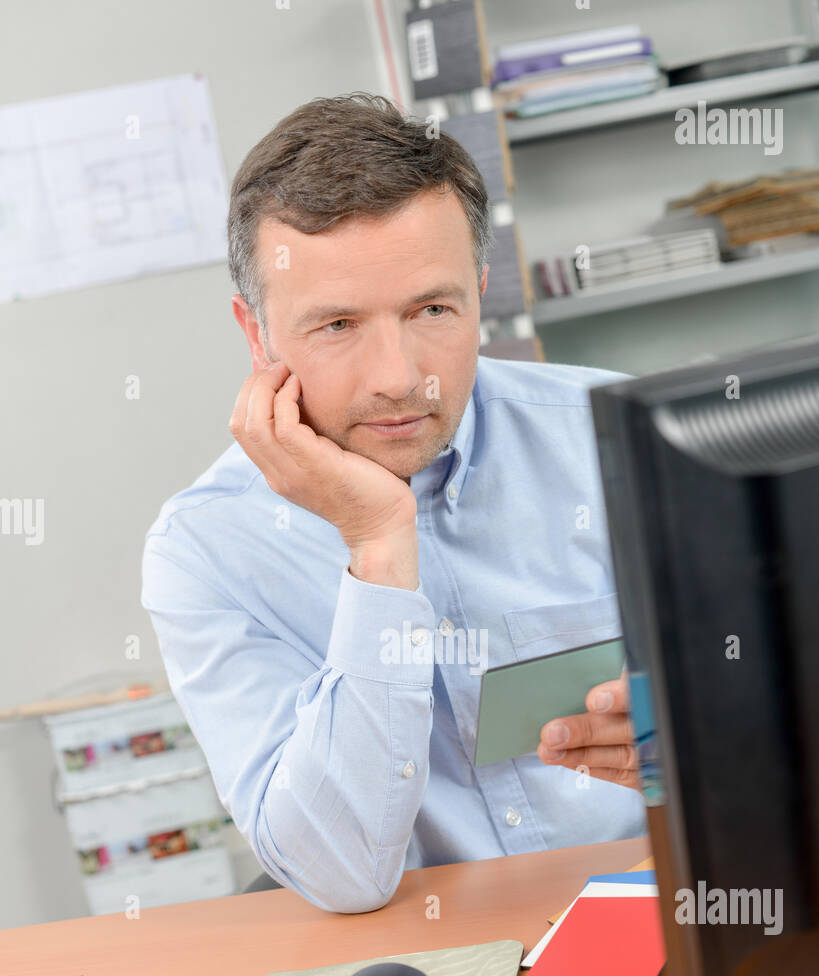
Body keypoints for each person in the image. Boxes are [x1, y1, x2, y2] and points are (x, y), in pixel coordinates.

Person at [141, 93, 645, 913]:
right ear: (256, 332)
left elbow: (800, 711)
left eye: (432, 309)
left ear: (480, 293)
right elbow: (335, 872)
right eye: (337, 324)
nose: (398, 376)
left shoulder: (615, 436)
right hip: (421, 974)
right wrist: (378, 544)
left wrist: (702, 737)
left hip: (657, 916)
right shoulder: (205, 549)